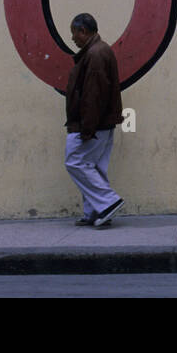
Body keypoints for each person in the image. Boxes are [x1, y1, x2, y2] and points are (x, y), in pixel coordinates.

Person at [64, 13, 125, 228]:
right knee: (93, 166)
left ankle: (108, 202)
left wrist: (87, 128)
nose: (72, 38)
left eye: (74, 33)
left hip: (93, 124)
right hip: (101, 123)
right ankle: (95, 211)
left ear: (83, 31)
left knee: (74, 162)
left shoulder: (96, 54)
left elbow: (93, 95)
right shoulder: (99, 51)